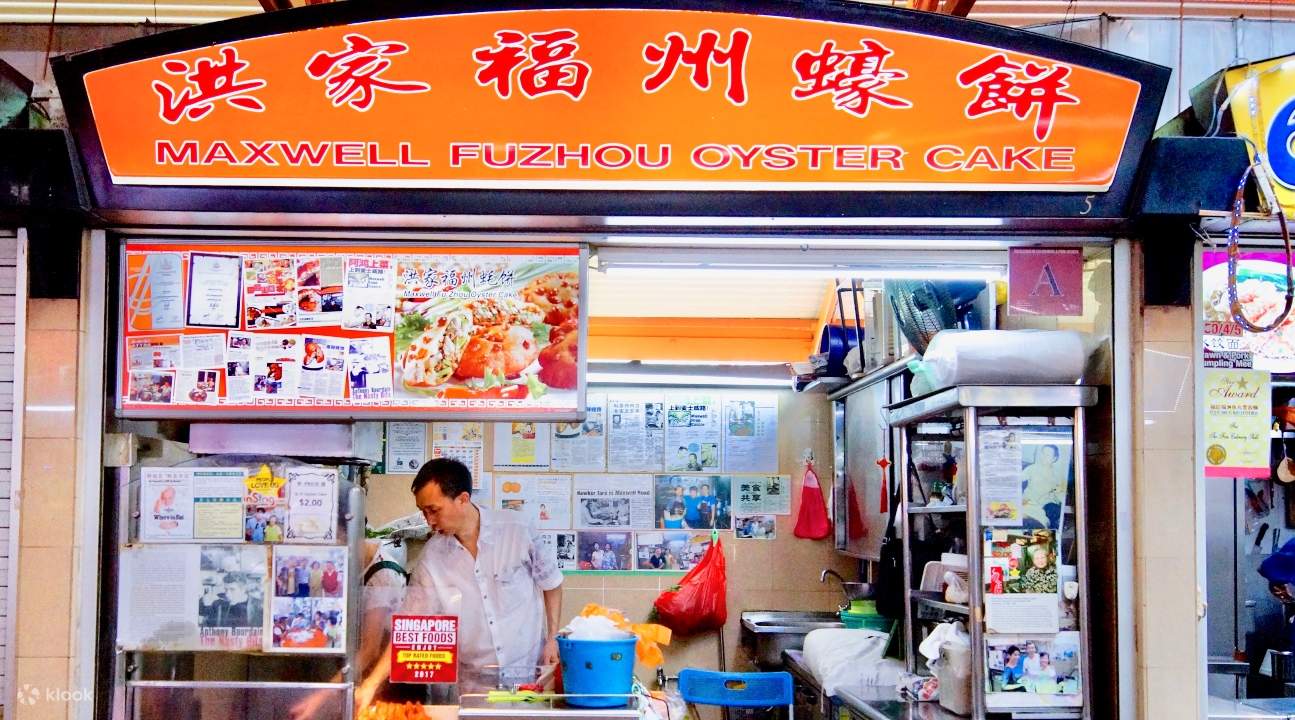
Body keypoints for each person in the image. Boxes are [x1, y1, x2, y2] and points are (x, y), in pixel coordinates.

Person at [356, 459, 563, 708]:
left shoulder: (517, 530)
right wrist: (370, 684)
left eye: (434, 510)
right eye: (423, 512)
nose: (429, 521)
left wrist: (552, 637)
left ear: (463, 499)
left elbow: (551, 583)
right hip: (474, 689)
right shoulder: (432, 560)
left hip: (529, 677)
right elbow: (410, 630)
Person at [1021, 445, 1066, 528]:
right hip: (1029, 501)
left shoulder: (1058, 474)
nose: (1043, 457)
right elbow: (1018, 479)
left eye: (1047, 455)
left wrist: (1059, 493)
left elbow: (1062, 494)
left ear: (1054, 458)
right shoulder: (1032, 468)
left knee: (1053, 510)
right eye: (1043, 453)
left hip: (1047, 504)